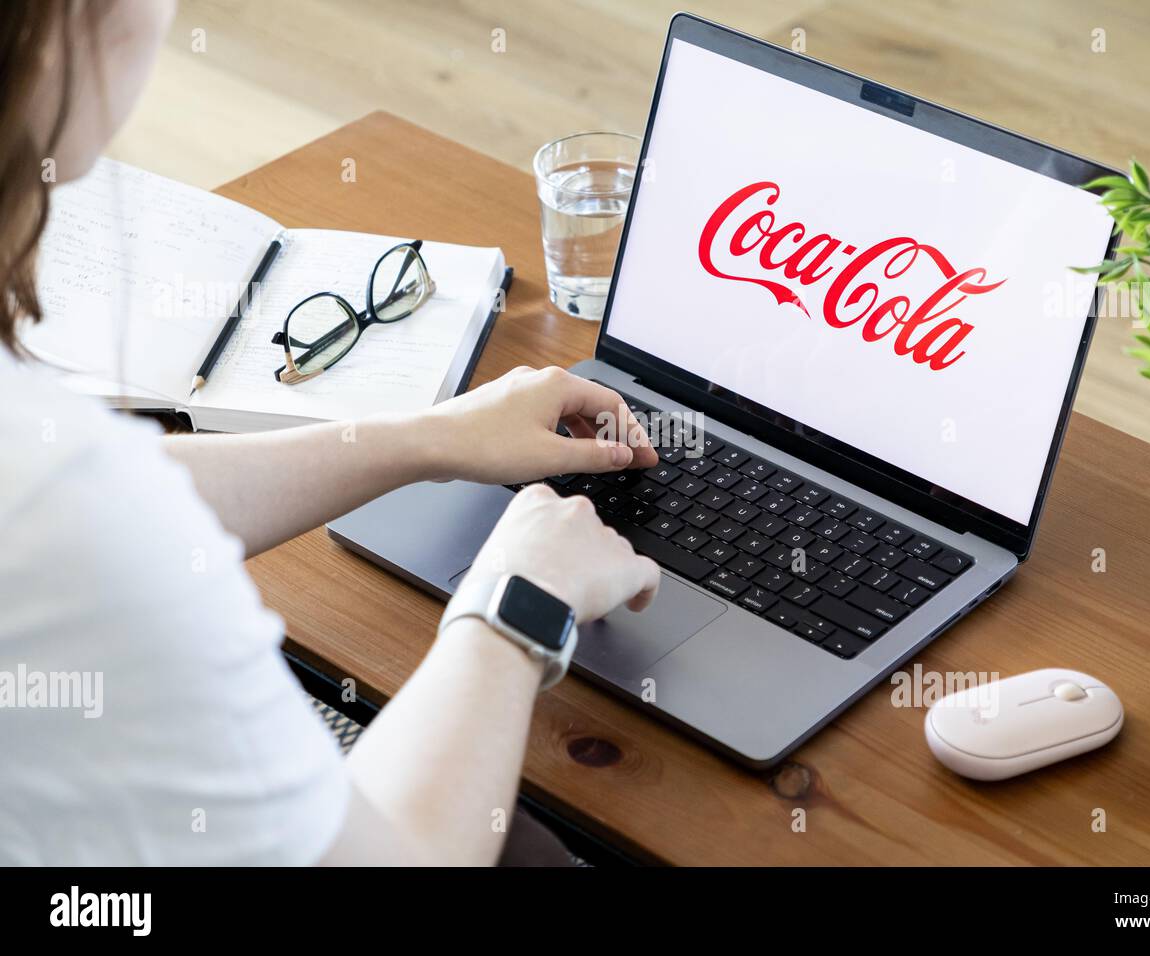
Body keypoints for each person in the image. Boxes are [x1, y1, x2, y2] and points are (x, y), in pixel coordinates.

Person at [0, 0, 661, 865]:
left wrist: (421, 438)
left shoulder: (55, 477)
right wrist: (516, 601)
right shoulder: (63, 506)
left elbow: (99, 495)